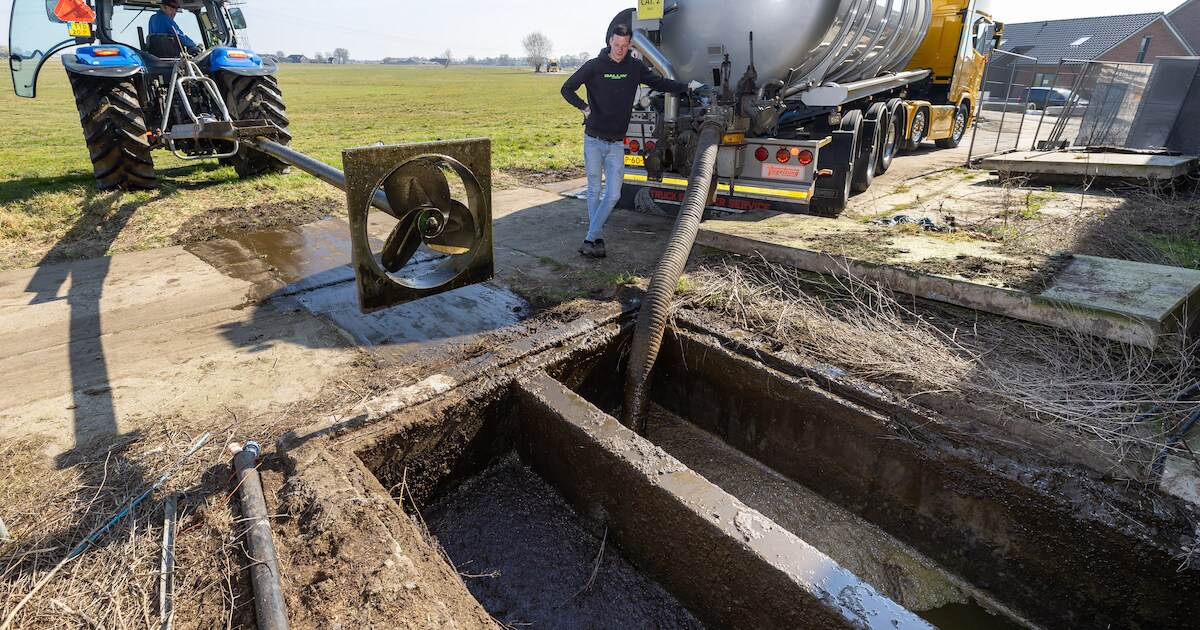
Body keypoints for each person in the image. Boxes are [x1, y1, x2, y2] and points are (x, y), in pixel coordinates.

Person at [560, 23, 703, 258]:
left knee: (613, 194)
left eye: (625, 46)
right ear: (610, 42)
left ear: (630, 46)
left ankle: (590, 236)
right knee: (594, 190)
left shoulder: (634, 68)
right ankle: (596, 239)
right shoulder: (594, 66)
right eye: (616, 44)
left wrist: (687, 86)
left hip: (616, 143)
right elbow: (567, 89)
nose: (619, 49)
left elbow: (661, 83)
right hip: (593, 140)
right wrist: (584, 108)